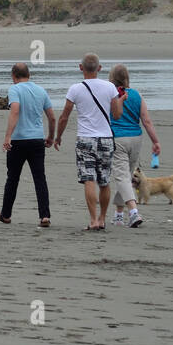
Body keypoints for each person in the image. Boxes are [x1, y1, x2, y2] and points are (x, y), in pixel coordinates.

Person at [55, 53, 124, 231]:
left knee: (88, 180)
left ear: (81, 68)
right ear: (99, 68)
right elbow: (117, 115)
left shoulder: (75, 89)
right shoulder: (110, 87)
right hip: (106, 139)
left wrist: (58, 136)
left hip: (85, 139)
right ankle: (102, 219)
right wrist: (120, 100)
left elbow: (64, 117)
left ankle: (93, 219)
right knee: (104, 181)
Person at [0, 62, 54, 227]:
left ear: (13, 76)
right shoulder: (41, 90)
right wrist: (51, 136)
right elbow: (51, 116)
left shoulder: (15, 89)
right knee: (39, 178)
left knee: (12, 178)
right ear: (29, 75)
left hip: (19, 140)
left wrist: (7, 137)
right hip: (37, 140)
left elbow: (15, 110)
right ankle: (45, 216)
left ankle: (6, 215)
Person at [108, 64, 161, 229]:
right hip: (136, 139)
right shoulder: (137, 95)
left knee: (122, 177)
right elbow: (146, 121)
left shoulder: (110, 94)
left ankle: (133, 212)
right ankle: (118, 215)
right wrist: (155, 141)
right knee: (126, 176)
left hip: (117, 138)